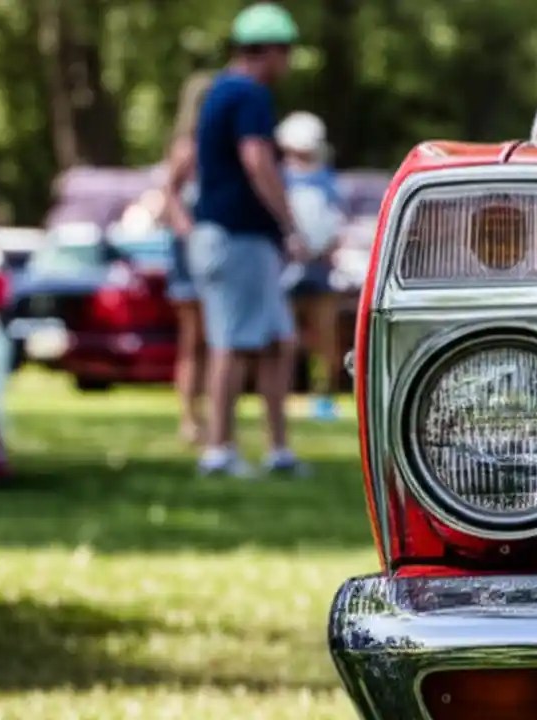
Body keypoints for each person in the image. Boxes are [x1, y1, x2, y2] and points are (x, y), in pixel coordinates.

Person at [187, 2, 308, 477]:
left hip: (243, 239)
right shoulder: (249, 95)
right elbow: (257, 159)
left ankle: (279, 450)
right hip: (237, 237)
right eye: (287, 52)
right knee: (233, 343)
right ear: (271, 51)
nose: (288, 63)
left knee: (278, 341)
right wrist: (289, 222)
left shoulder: (220, 91)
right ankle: (219, 450)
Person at [276, 111, 345, 421]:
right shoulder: (279, 177)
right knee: (284, 338)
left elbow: (335, 222)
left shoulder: (326, 178)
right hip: (286, 269)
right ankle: (283, 394)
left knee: (325, 338)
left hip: (319, 268)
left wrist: (326, 248)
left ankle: (324, 396)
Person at [162, 71, 214, 445]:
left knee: (215, 339)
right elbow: (170, 192)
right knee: (193, 337)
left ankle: (211, 415)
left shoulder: (215, 145)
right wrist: (187, 231)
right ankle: (189, 416)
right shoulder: (189, 146)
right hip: (190, 249)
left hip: (209, 245)